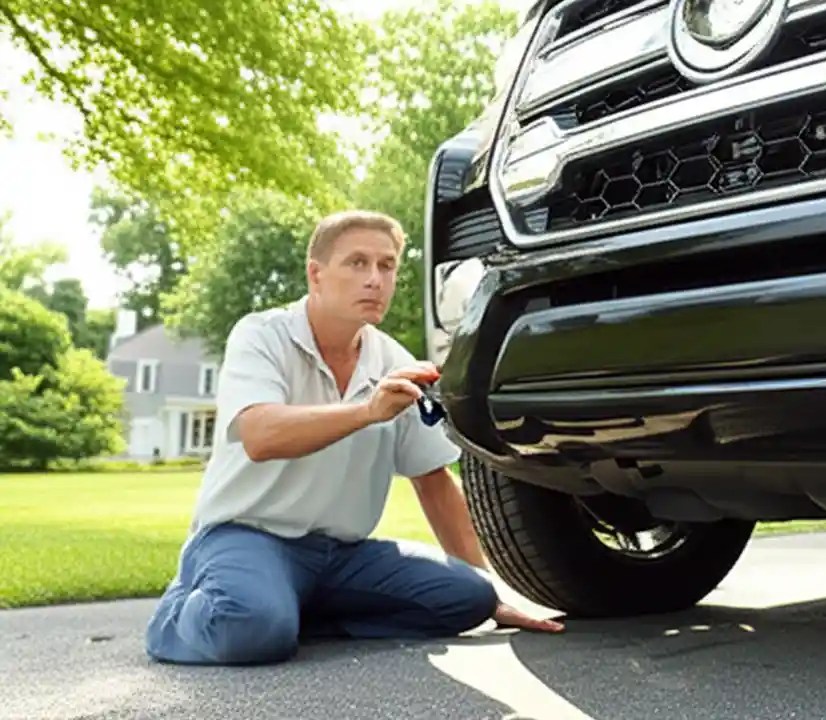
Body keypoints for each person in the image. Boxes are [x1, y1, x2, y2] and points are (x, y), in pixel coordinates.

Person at [144, 210, 564, 665]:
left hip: (341, 557)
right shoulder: (261, 336)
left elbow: (432, 480)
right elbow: (260, 435)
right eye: (357, 263)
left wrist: (492, 598)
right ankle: (179, 617)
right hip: (246, 536)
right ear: (316, 274)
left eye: (387, 266)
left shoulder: (392, 360)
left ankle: (289, 613)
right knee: (249, 629)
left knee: (468, 598)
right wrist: (366, 412)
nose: (375, 280)